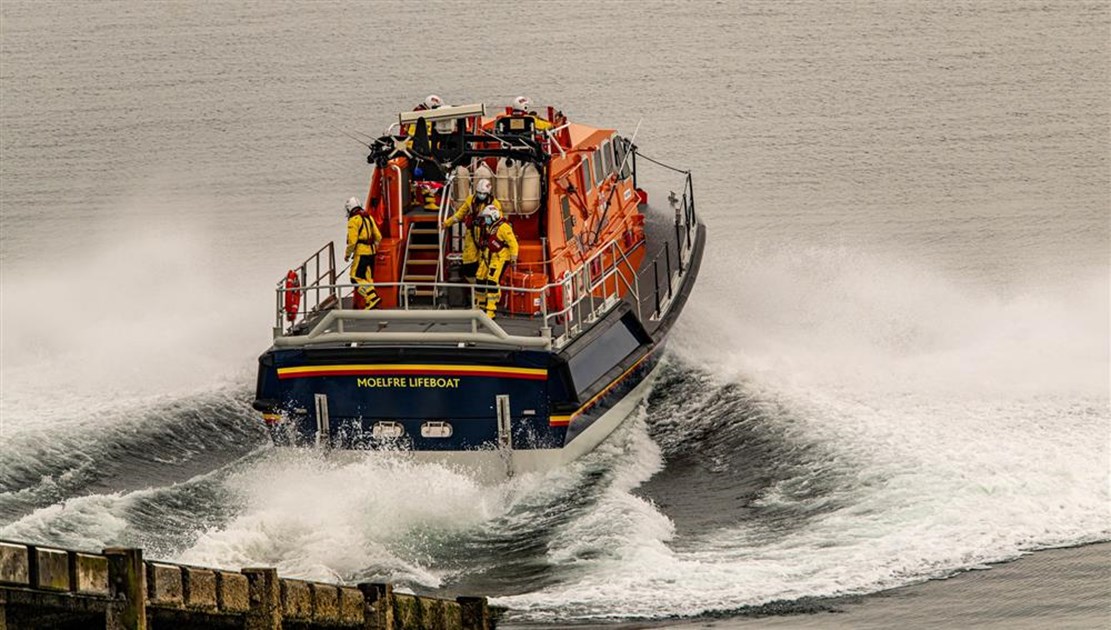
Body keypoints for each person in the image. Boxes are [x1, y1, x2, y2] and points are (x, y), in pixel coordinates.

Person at [441, 179, 501, 283]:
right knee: (469, 262)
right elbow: (459, 215)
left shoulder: (495, 204)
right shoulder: (470, 200)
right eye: (479, 193)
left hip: (486, 236)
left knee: (485, 261)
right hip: (472, 235)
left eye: (483, 193)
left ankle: (483, 285)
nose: (481, 195)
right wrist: (446, 223)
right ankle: (473, 285)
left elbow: (499, 220)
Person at [474, 204, 518, 318]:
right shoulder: (489, 226)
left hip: (500, 257)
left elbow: (513, 243)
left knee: (492, 281)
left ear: (493, 216)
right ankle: (480, 305)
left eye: (487, 217)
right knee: (479, 277)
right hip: (488, 256)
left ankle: (491, 310)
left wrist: (513, 257)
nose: (485, 220)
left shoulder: (504, 227)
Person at [343, 196, 382, 310]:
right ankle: (372, 301)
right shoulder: (368, 217)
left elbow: (352, 241)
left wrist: (347, 254)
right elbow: (378, 236)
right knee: (368, 278)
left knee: (355, 277)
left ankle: (372, 298)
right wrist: (374, 245)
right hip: (371, 253)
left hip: (361, 253)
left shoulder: (353, 220)